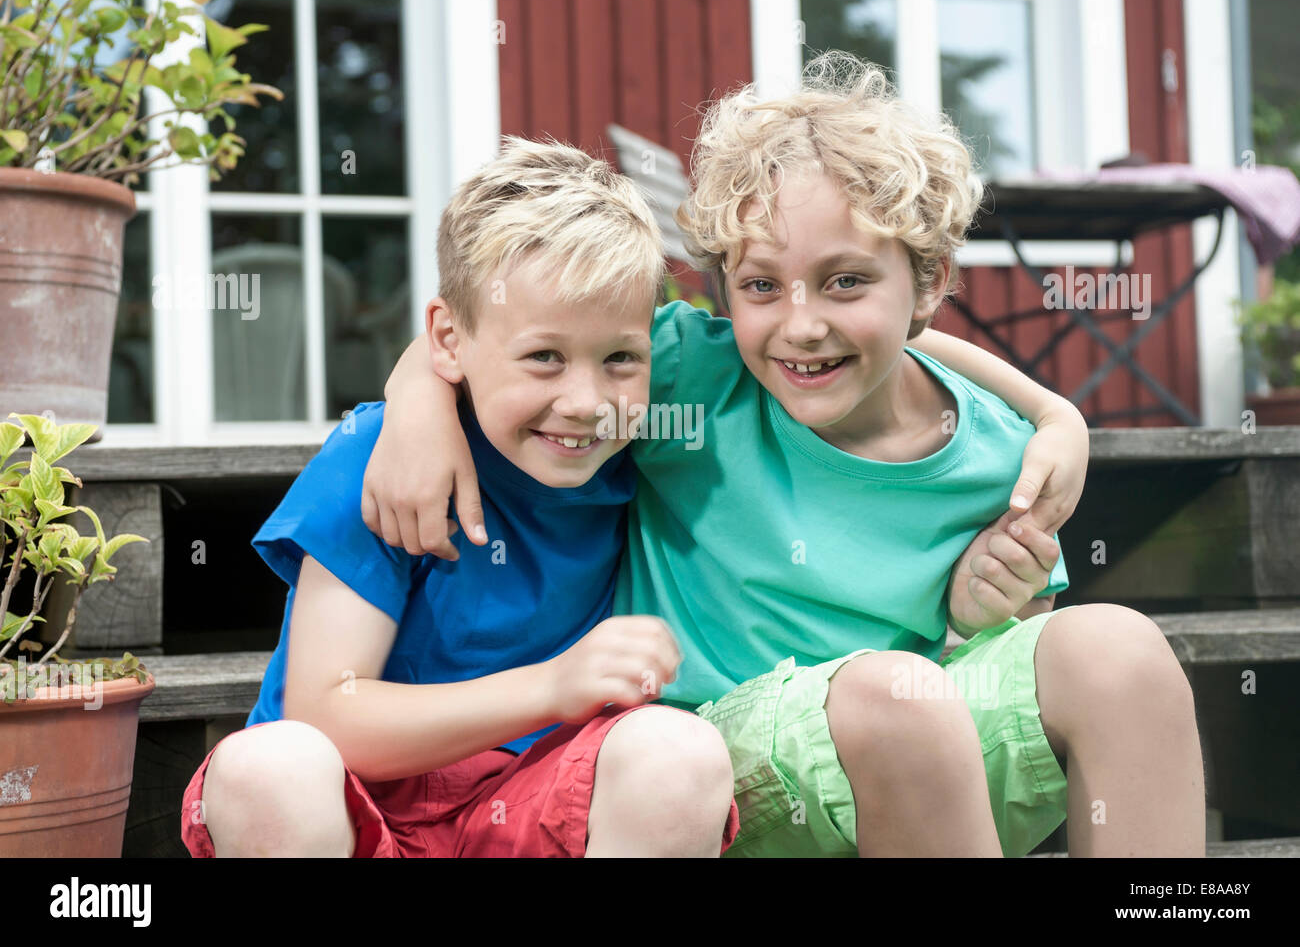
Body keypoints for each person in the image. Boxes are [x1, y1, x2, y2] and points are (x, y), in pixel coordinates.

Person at [366, 53, 1205, 857]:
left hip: (908, 774)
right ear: (726, 290)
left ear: (928, 281)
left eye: (846, 282)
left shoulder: (999, 453)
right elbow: (497, 340)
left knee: (1118, 651)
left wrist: (996, 609)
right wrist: (415, 403)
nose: (801, 326)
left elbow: (1012, 662)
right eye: (763, 286)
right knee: (893, 697)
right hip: (699, 771)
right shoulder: (691, 381)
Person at [179, 138, 741, 858]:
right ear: (449, 337)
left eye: (620, 359)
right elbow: (326, 714)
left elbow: (868, 355)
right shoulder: (383, 460)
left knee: (678, 753)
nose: (585, 402)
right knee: (268, 766)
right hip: (356, 812)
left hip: (536, 801)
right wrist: (551, 687)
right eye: (544, 356)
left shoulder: (648, 444)